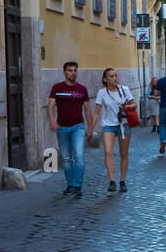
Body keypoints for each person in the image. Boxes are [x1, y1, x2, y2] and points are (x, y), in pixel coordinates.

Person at [47, 61, 92, 196]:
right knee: (66, 158)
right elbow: (50, 106)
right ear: (64, 72)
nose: (73, 73)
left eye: (75, 70)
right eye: (70, 70)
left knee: (78, 156)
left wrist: (90, 128)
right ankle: (70, 184)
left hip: (78, 127)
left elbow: (88, 109)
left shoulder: (82, 89)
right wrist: (52, 121)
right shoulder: (57, 88)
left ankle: (78, 185)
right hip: (62, 128)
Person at [92, 67, 136, 193]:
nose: (114, 78)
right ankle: (112, 181)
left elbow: (134, 104)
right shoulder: (102, 93)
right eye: (111, 76)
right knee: (108, 151)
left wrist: (126, 106)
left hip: (124, 124)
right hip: (108, 125)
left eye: (115, 76)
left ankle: (122, 181)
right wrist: (90, 127)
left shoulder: (124, 89)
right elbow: (96, 112)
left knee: (124, 153)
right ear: (105, 79)